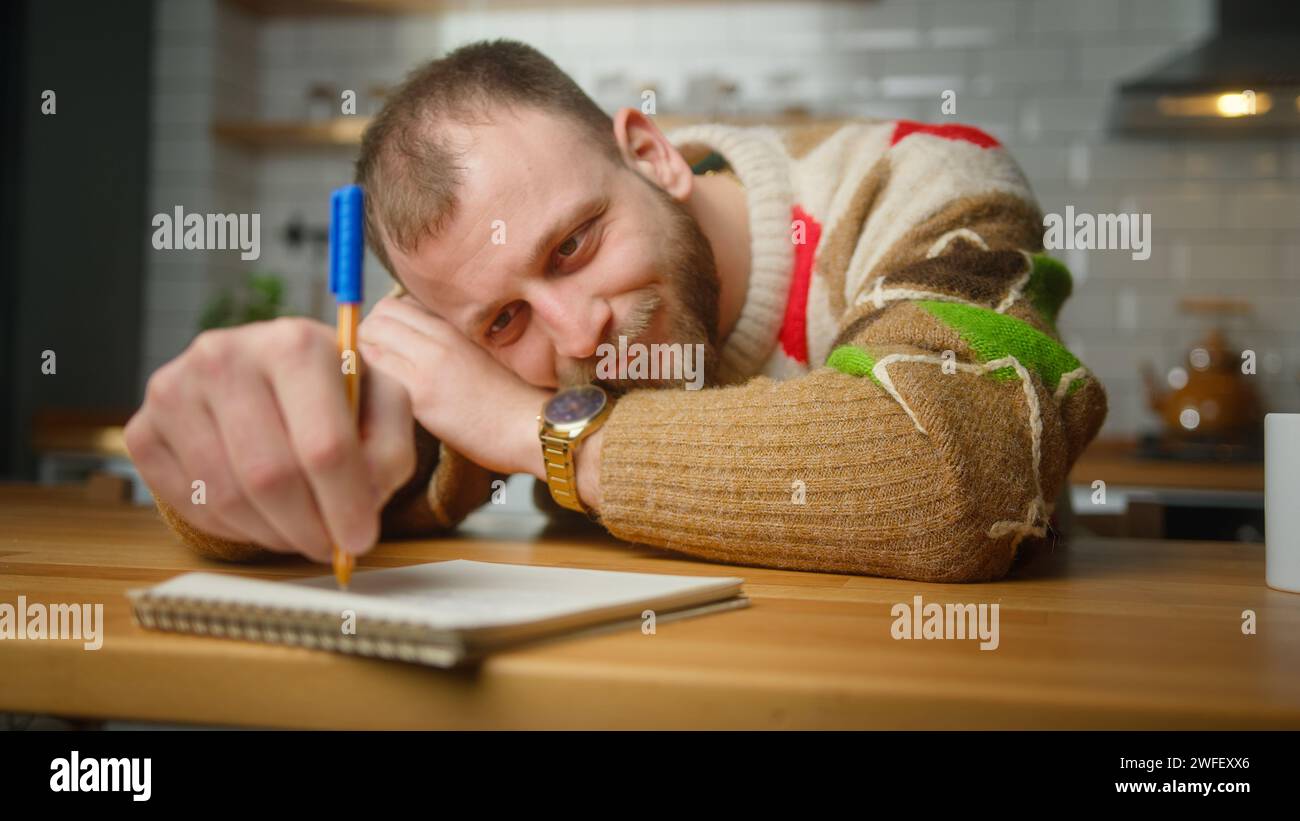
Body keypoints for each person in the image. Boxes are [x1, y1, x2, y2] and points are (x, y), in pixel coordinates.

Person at [125, 40, 1106, 583]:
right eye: (504, 322)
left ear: (651, 154)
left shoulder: (924, 176)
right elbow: (341, 487)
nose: (575, 333)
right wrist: (242, 441)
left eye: (574, 246)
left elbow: (962, 473)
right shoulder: (472, 309)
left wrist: (533, 427)